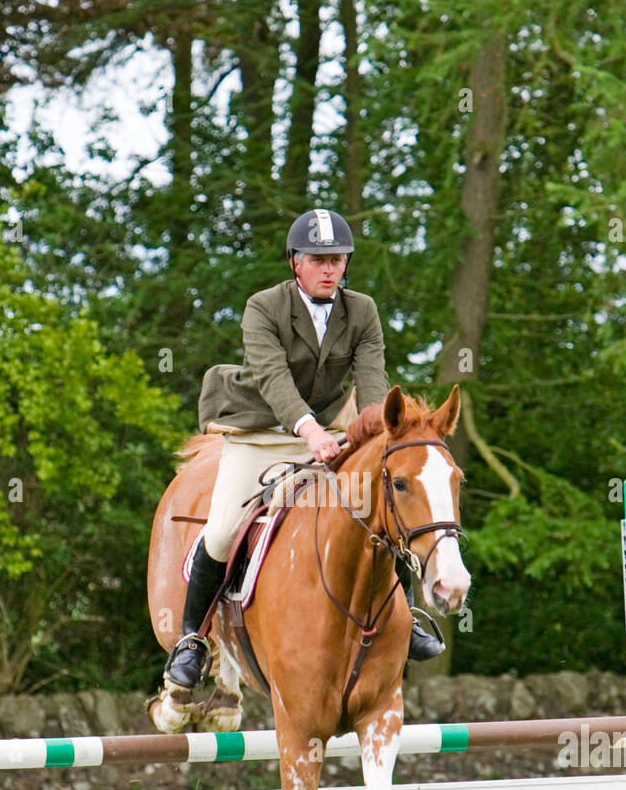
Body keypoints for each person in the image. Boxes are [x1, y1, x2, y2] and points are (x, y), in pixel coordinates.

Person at [164, 208, 444, 688]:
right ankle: (192, 638)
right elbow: (273, 377)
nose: (330, 269)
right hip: (262, 430)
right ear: (296, 263)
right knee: (225, 526)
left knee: (381, 501)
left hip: (332, 430)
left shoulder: (363, 311)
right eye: (318, 260)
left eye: (337, 259)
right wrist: (308, 430)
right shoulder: (263, 307)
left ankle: (405, 613)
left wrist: (374, 431)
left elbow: (372, 381)